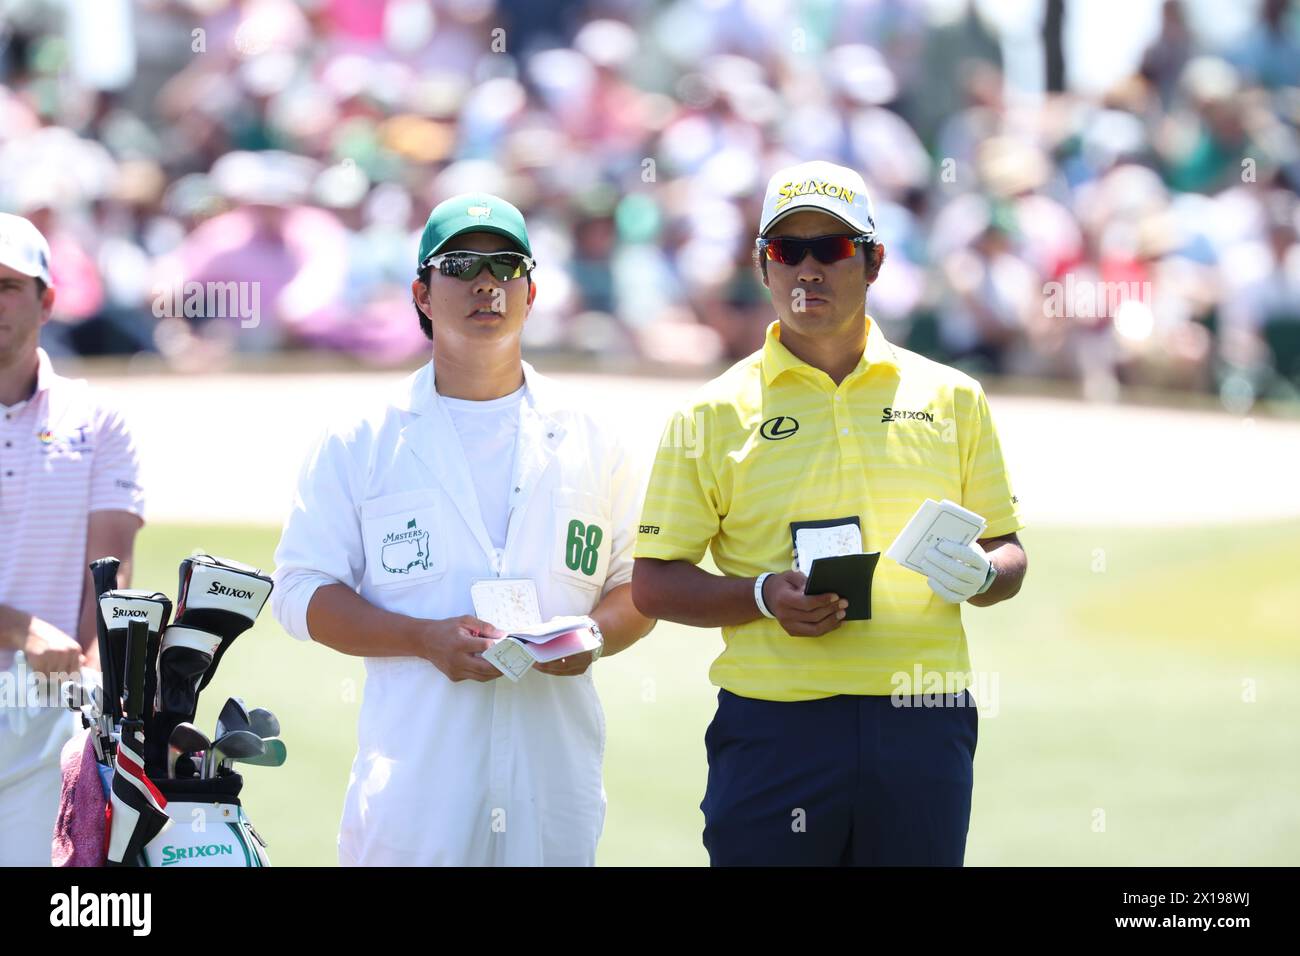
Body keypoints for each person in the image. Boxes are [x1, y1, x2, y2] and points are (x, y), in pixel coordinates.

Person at [631, 161, 1028, 866]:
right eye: (787, 251)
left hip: (922, 720)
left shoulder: (953, 397)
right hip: (774, 728)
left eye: (832, 249)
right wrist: (758, 595)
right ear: (762, 267)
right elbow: (654, 582)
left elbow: (1009, 553)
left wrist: (981, 573)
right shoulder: (710, 414)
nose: (807, 269)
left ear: (873, 262)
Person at [271, 193, 655, 866]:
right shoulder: (360, 440)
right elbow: (300, 591)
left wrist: (591, 638)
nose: (487, 282)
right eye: (462, 265)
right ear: (421, 292)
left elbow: (638, 583)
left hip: (552, 786)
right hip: (417, 792)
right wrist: (421, 640)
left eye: (506, 266)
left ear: (531, 292)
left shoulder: (594, 438)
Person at [0, 213, 145, 866]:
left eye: (6, 285)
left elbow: (109, 576)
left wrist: (94, 683)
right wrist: (21, 629)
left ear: (47, 299)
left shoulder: (98, 420)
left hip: (49, 710)